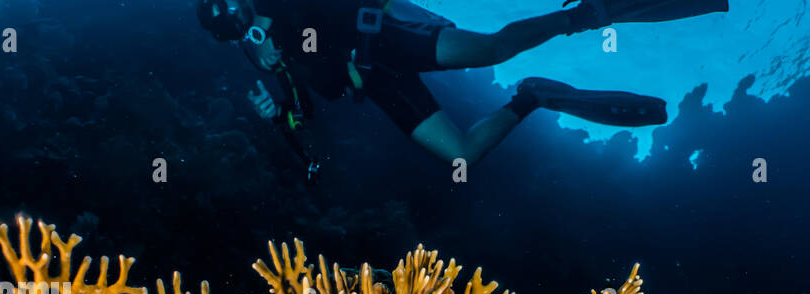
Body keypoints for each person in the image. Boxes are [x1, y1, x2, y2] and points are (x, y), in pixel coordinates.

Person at [196, 0, 730, 172]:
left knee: (492, 48)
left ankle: (586, 15)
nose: (243, 25)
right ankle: (532, 97)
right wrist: (277, 112)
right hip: (377, 81)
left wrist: (278, 26)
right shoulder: (268, 57)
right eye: (233, 29)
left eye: (238, 11)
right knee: (461, 156)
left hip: (380, 32)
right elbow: (306, 114)